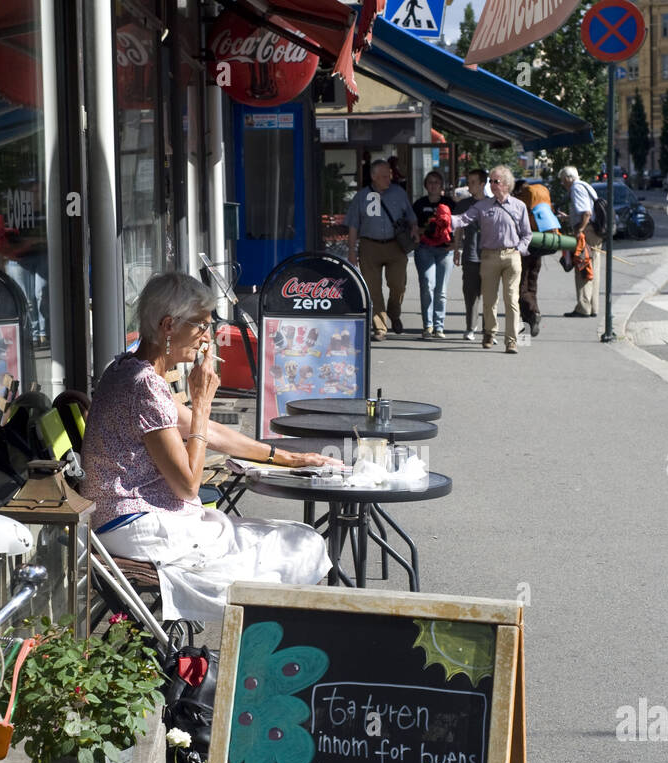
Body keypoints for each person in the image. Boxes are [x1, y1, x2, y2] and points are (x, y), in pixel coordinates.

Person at [82, 272, 335, 622]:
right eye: (201, 325)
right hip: (136, 526)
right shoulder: (145, 387)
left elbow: (211, 434)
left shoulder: (125, 368)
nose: (207, 336)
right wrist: (201, 402)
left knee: (286, 539)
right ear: (169, 326)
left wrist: (286, 457)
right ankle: (274, 643)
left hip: (122, 521)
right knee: (296, 543)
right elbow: (187, 486)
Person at [450, 165, 531, 353]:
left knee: (511, 299)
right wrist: (447, 218)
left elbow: (527, 234)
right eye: (492, 181)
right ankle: (489, 333)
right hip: (488, 256)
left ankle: (511, 340)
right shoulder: (482, 206)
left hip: (512, 256)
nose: (493, 185)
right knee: (489, 299)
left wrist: (519, 249)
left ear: (507, 184)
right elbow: (463, 219)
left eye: (497, 181)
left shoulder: (519, 206)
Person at [346, 159, 418, 340]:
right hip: (370, 246)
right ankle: (380, 327)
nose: (389, 179)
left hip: (395, 245)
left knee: (398, 285)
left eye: (390, 175)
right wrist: (352, 251)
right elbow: (353, 225)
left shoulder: (398, 193)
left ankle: (394, 312)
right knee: (373, 289)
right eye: (384, 176)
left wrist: (414, 229)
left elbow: (410, 216)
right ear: (374, 177)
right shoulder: (362, 196)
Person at [412, 170, 456, 339]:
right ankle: (428, 326)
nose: (433, 185)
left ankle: (439, 326)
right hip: (425, 249)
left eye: (437, 182)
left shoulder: (449, 203)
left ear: (442, 186)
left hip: (444, 250)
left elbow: (458, 225)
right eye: (430, 182)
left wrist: (455, 244)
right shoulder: (419, 204)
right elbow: (413, 226)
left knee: (441, 290)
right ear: (425, 185)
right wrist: (426, 230)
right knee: (427, 286)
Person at [513, 177, 557, 338]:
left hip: (525, 248)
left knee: (521, 285)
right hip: (539, 244)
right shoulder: (539, 198)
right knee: (532, 283)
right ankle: (530, 319)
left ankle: (532, 314)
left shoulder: (519, 200)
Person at [557, 165, 602, 318]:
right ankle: (593, 307)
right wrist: (569, 218)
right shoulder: (586, 186)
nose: (563, 184)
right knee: (593, 269)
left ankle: (583, 308)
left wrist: (579, 230)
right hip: (594, 231)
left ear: (569, 179)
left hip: (587, 232)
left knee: (583, 267)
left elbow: (587, 213)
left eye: (563, 181)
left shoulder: (576, 188)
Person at [453, 168, 486, 342]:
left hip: (489, 256)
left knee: (489, 294)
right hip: (470, 254)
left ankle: (488, 330)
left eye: (473, 182)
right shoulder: (463, 204)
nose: (470, 186)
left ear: (482, 184)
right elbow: (458, 228)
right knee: (471, 293)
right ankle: (470, 328)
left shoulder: (492, 202)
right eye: (469, 182)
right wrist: (457, 249)